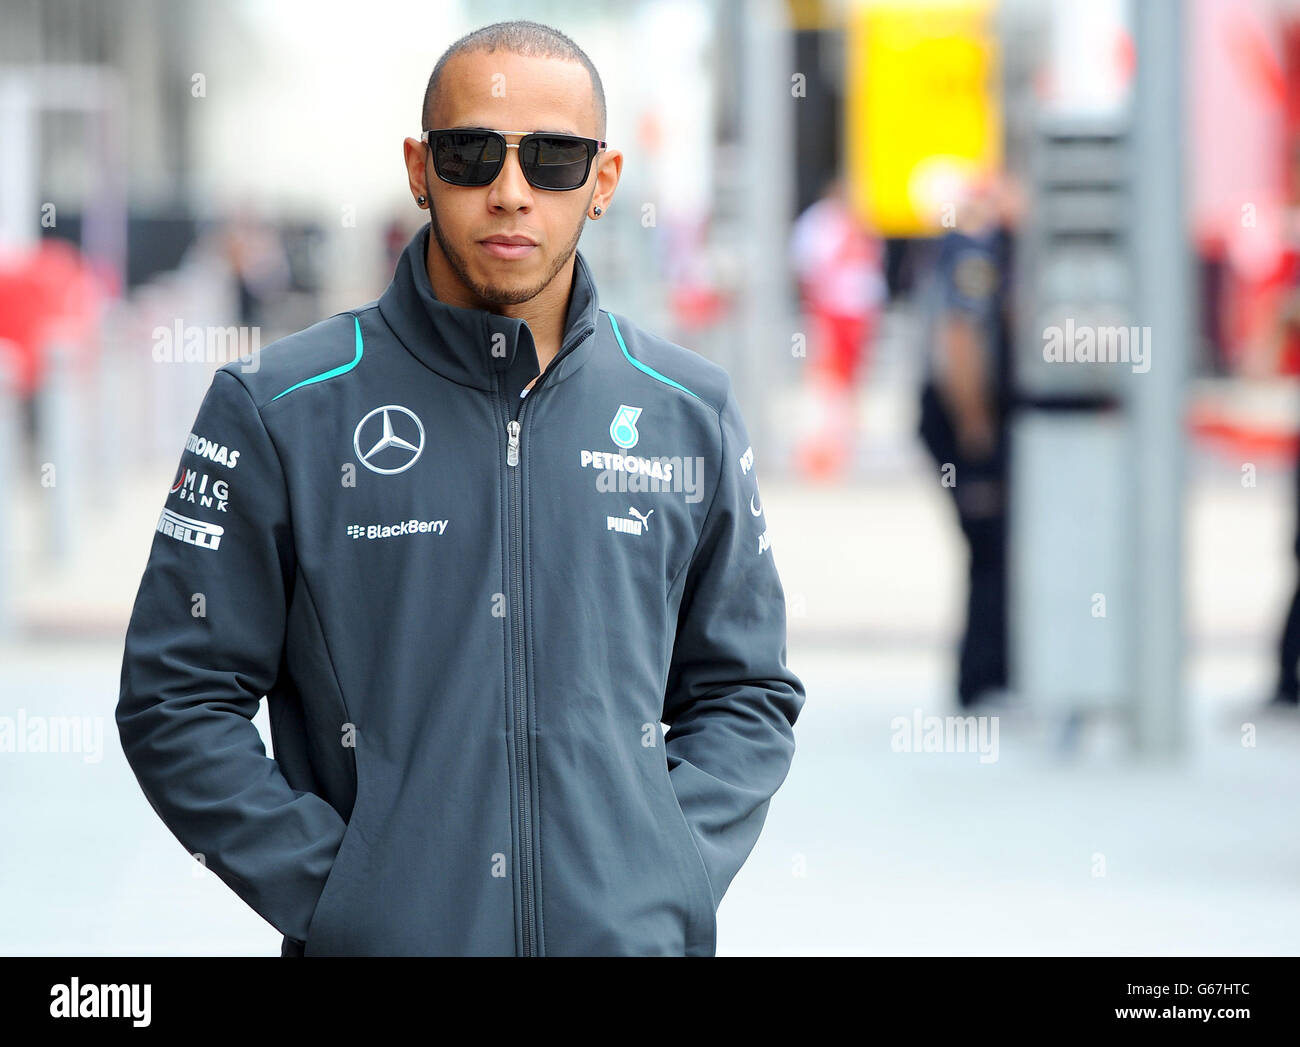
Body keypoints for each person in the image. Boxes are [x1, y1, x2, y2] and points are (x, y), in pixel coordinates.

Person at [115, 20, 805, 957]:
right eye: (471, 153)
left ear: (603, 182)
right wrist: (347, 898)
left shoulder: (690, 409)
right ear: (419, 168)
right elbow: (176, 698)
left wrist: (662, 867)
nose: (510, 192)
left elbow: (746, 690)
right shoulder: (279, 409)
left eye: (555, 160)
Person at [916, 173, 1020, 710]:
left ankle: (997, 673)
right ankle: (982, 679)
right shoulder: (977, 252)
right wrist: (977, 437)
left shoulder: (992, 247)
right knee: (992, 547)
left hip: (970, 418)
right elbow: (960, 343)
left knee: (999, 549)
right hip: (964, 422)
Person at [789, 176, 885, 479]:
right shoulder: (818, 222)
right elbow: (808, 267)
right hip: (830, 309)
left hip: (858, 310)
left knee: (852, 376)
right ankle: (824, 444)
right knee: (828, 376)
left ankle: (844, 440)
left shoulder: (862, 222)